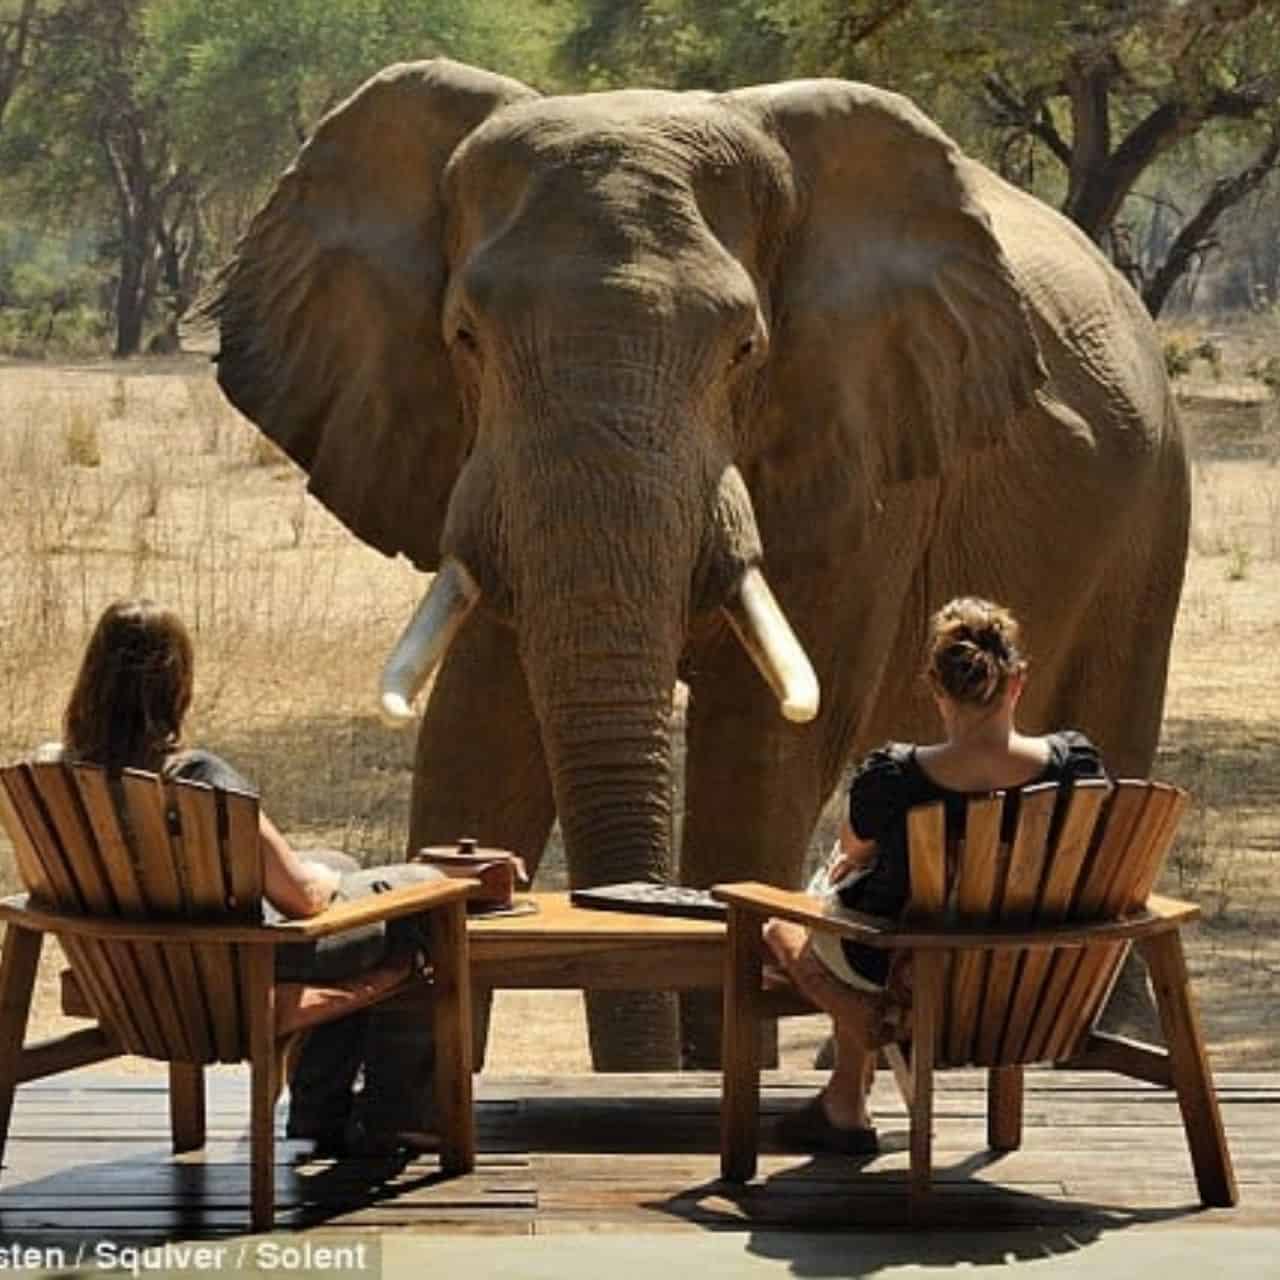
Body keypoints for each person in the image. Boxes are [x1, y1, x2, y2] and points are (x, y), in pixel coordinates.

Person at [57, 597, 446, 1157]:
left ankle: (324, 1111)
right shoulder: (198, 779)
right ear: (177, 683)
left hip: (132, 977)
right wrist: (330, 885)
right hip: (232, 978)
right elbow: (306, 901)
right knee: (419, 895)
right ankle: (386, 1115)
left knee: (344, 866)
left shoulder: (62, 780)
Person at [764, 597, 1108, 1155]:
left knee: (784, 926)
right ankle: (843, 1100)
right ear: (1016, 683)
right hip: (1028, 981)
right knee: (854, 921)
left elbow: (855, 846)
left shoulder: (895, 776)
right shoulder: (1074, 766)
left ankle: (860, 1029)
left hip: (904, 976)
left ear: (936, 690)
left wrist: (850, 862)